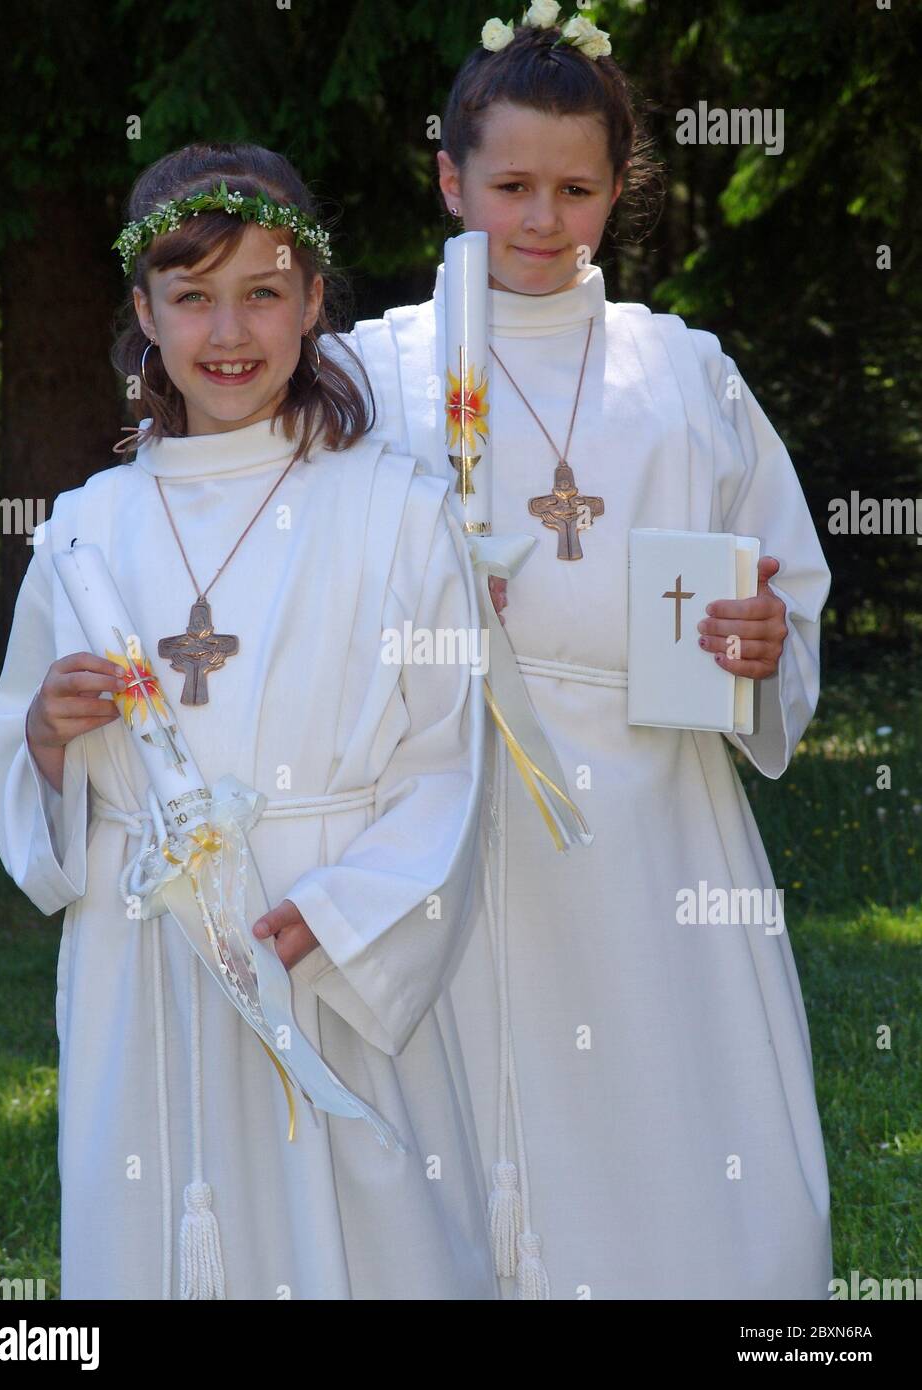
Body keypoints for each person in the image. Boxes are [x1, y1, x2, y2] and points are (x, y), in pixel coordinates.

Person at [329, 10, 834, 1299]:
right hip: (452, 796)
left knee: (669, 1101)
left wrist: (763, 640)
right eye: (509, 188)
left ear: (617, 190)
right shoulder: (371, 376)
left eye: (574, 189)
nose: (541, 220)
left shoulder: (683, 374)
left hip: (656, 808)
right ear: (449, 180)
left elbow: (780, 573)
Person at [0, 141, 498, 1300]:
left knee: (367, 1227)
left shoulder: (395, 511)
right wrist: (53, 742)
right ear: (143, 314)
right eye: (193, 298)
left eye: (262, 293)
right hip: (150, 951)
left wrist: (342, 910)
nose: (228, 333)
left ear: (313, 302)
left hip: (319, 935)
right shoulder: (86, 527)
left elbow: (446, 757)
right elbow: (18, 752)